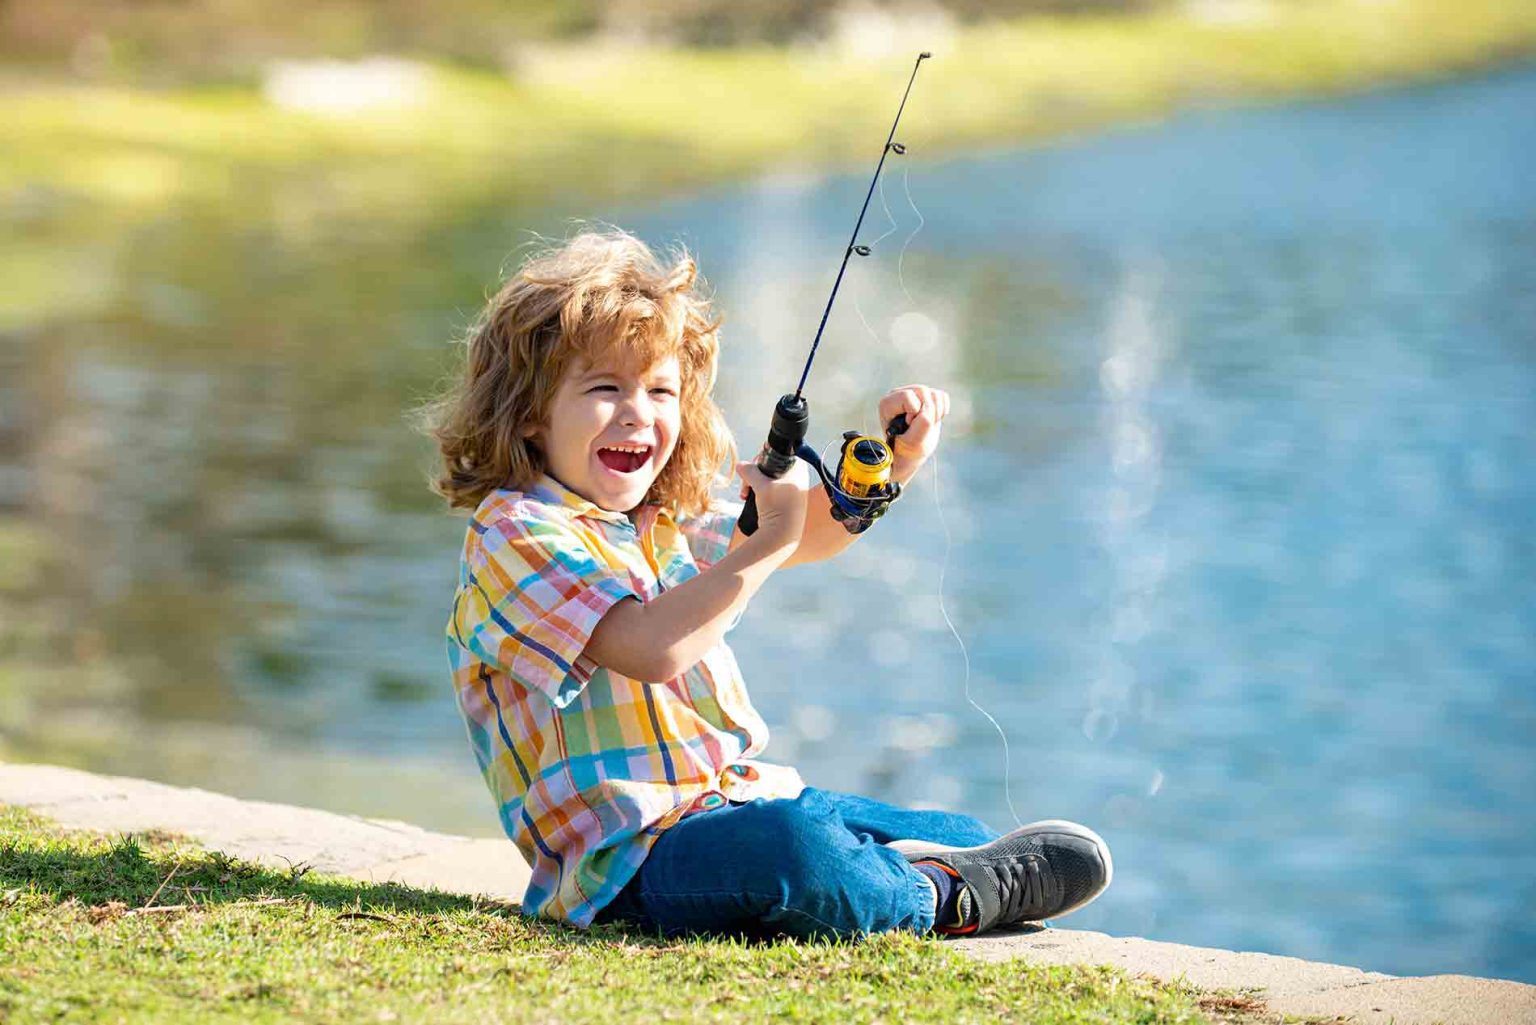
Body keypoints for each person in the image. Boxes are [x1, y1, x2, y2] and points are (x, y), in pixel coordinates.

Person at [426, 229, 1112, 940]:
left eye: (660, 390)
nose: (638, 411)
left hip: (739, 796)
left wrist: (889, 470)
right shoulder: (515, 532)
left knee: (954, 827)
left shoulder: (656, 518)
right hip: (628, 865)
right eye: (606, 388)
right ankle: (939, 898)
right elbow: (651, 646)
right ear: (531, 413)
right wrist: (769, 540)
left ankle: (923, 870)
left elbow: (808, 533)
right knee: (788, 848)